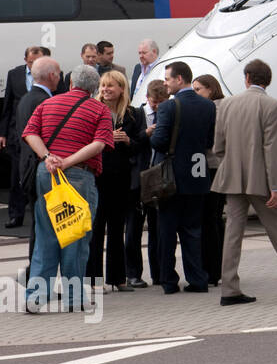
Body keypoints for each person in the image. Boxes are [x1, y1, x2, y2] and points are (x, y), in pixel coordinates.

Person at [211, 59, 277, 306]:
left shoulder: (226, 104)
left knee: (233, 234)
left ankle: (229, 289)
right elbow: (272, 149)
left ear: (247, 77)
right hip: (262, 181)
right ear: (267, 80)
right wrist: (276, 187)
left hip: (232, 177)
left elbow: (218, 146)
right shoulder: (272, 105)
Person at [21, 64, 114, 312]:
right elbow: (99, 144)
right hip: (79, 176)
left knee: (46, 234)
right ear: (94, 88)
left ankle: (36, 297)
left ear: (71, 82)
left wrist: (48, 157)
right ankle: (74, 298)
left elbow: (30, 133)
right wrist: (68, 162)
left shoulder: (48, 104)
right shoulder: (100, 109)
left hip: (47, 174)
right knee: (75, 237)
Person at [150, 62, 217, 293]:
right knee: (193, 232)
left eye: (168, 79)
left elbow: (158, 141)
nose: (165, 83)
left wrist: (152, 134)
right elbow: (209, 141)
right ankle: (198, 280)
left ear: (180, 79)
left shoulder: (168, 107)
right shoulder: (208, 106)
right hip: (198, 177)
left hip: (172, 180)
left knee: (167, 232)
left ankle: (169, 281)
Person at [87, 70, 148, 293]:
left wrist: (128, 140)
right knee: (96, 227)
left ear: (122, 88)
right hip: (97, 176)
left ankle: (118, 278)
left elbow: (142, 144)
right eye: (103, 86)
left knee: (116, 228)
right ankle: (94, 279)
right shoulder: (92, 111)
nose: (105, 90)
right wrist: (104, 139)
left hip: (122, 177)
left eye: (110, 86)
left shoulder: (133, 114)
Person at [15, 57, 59, 275]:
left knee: (39, 227)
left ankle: (36, 276)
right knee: (43, 229)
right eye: (58, 73)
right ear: (51, 75)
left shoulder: (26, 98)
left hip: (28, 168)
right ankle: (38, 278)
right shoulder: (44, 101)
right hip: (40, 169)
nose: (60, 77)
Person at [126, 79, 168, 286]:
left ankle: (159, 273)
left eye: (162, 102)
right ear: (147, 98)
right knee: (133, 228)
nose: (157, 106)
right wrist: (146, 134)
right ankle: (133, 273)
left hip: (159, 177)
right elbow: (129, 146)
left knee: (158, 227)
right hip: (138, 178)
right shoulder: (135, 115)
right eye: (154, 102)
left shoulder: (168, 114)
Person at [1, 45, 42, 228]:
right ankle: (15, 215)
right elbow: (8, 104)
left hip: (41, 134)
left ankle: (38, 215)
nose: (34, 66)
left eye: (37, 62)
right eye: (31, 62)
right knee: (17, 175)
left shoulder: (48, 73)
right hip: (17, 132)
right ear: (26, 60)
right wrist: (2, 133)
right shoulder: (14, 74)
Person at [192, 74, 227, 283]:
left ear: (210, 90)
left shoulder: (214, 108)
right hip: (220, 167)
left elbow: (210, 140)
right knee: (215, 217)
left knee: (209, 218)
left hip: (213, 166)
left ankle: (213, 270)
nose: (195, 93)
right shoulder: (224, 105)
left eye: (198, 89)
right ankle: (220, 268)